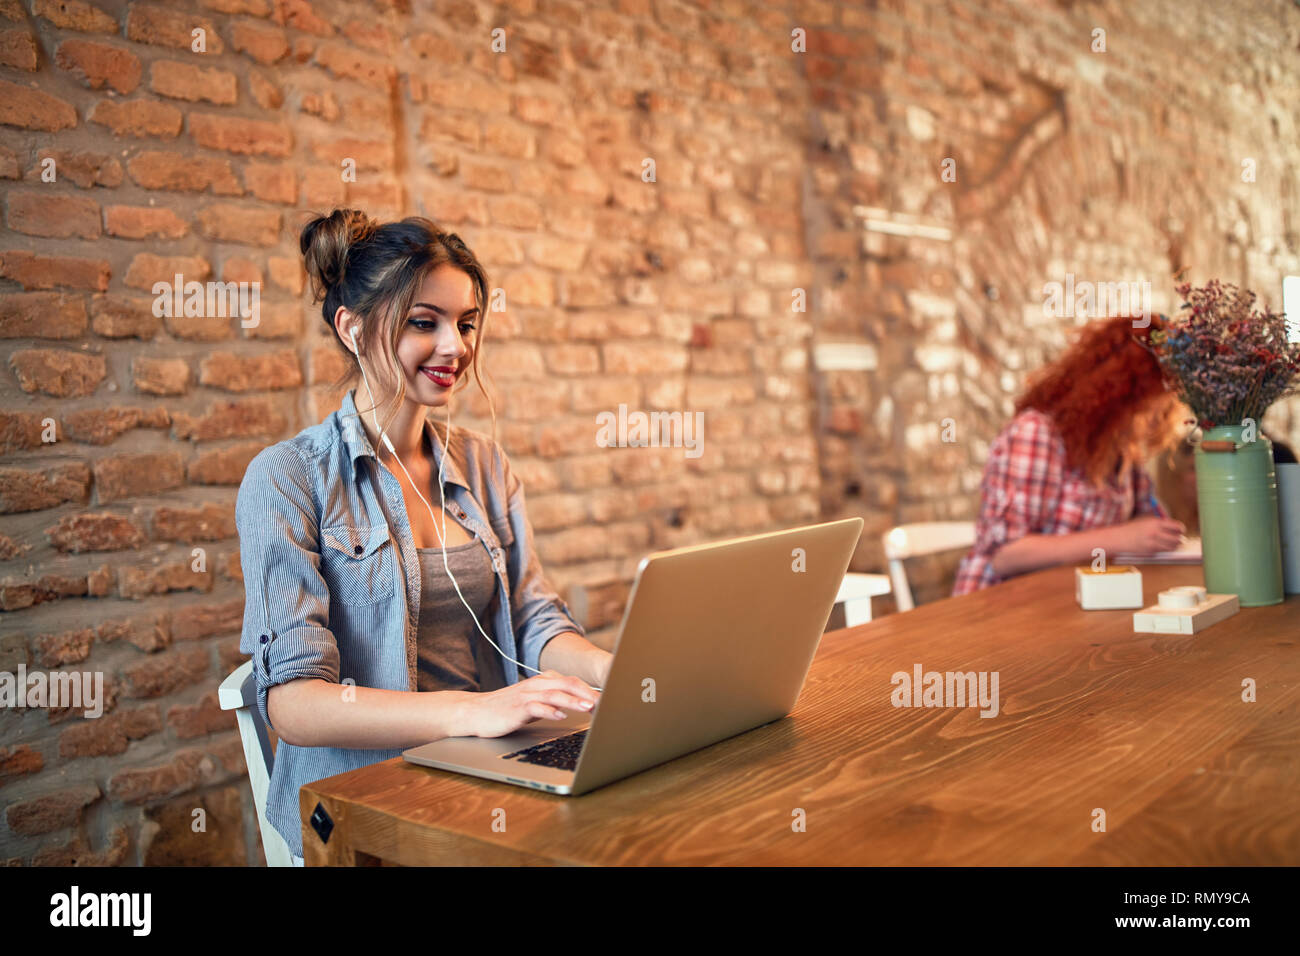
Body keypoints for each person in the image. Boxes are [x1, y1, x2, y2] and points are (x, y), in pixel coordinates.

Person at [236, 209, 612, 865]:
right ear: (352, 329)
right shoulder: (287, 479)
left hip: (486, 770)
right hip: (361, 807)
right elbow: (294, 704)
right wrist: (472, 712)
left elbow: (534, 620)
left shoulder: (485, 465)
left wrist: (624, 671)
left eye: (465, 323)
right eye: (423, 323)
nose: (456, 346)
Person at [952, 315, 1188, 595]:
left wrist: (1150, 532)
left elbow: (1144, 518)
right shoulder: (1037, 434)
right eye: (1147, 410)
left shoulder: (1122, 449)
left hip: (1070, 602)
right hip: (1000, 606)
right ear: (1117, 397)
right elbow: (1006, 556)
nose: (1154, 422)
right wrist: (1119, 539)